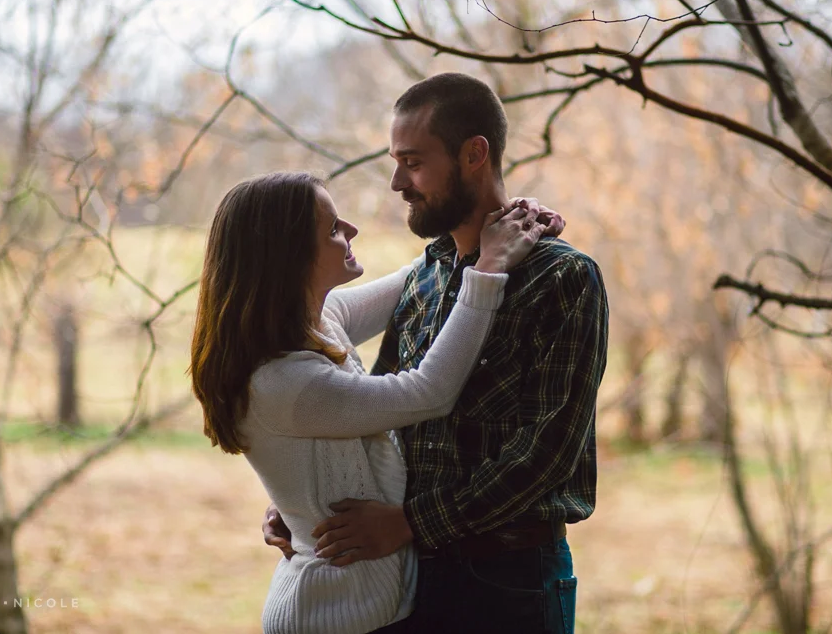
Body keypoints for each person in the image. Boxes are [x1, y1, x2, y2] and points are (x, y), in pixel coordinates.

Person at [264, 73, 609, 634]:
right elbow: (376, 420)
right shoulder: (426, 275)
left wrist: (410, 524)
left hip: (508, 580)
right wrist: (305, 504)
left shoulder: (563, 278)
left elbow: (547, 452)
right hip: (403, 575)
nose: (397, 182)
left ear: (474, 155)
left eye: (413, 162)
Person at [189, 170, 560, 634]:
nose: (352, 230)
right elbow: (429, 391)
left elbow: (413, 279)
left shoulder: (318, 322)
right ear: (288, 255)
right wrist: (487, 270)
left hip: (359, 606)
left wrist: (500, 223)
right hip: (334, 615)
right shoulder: (285, 381)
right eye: (332, 228)